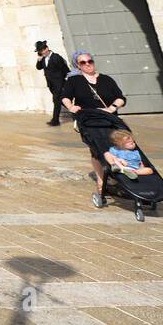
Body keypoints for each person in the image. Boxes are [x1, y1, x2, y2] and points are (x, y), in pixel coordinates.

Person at [60, 50, 128, 207]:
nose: (88, 64)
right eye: (83, 62)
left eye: (90, 61)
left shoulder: (106, 79)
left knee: (120, 147)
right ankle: (101, 180)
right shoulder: (74, 81)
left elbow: (120, 97)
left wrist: (112, 108)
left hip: (110, 119)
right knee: (97, 150)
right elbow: (65, 96)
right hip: (89, 120)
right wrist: (71, 106)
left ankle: (124, 177)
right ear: (78, 65)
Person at [35, 40, 69, 126]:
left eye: (42, 50)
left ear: (46, 48)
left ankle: (55, 120)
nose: (41, 52)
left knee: (56, 100)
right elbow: (39, 68)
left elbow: (65, 70)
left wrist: (64, 84)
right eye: (39, 51)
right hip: (51, 85)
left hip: (59, 84)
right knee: (61, 101)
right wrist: (39, 60)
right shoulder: (43, 58)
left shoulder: (56, 57)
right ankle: (77, 111)